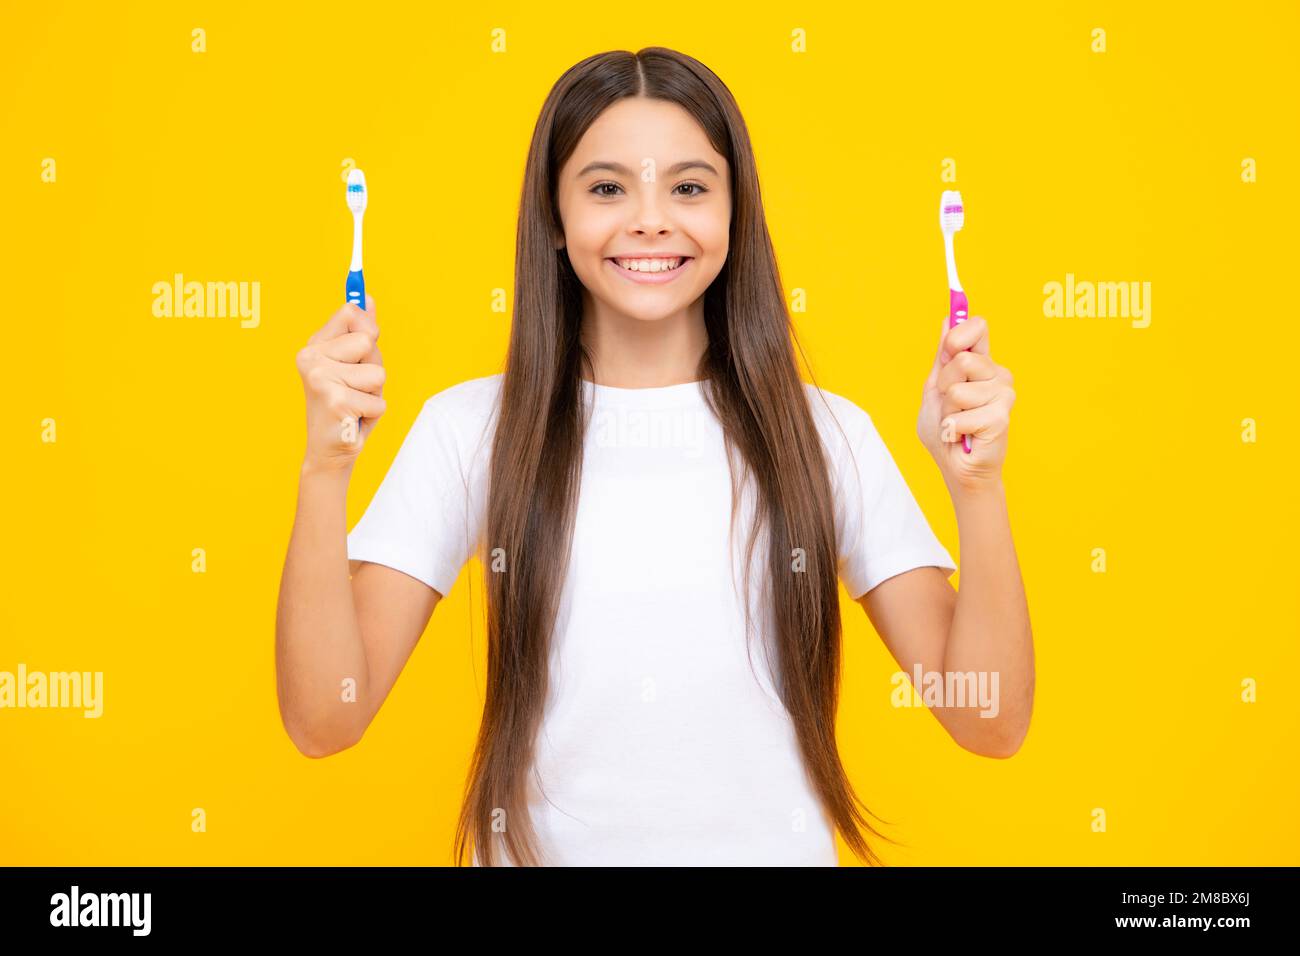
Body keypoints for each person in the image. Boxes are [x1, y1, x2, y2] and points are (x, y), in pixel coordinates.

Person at [275, 47, 1033, 867]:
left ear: (735, 215)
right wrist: (325, 470)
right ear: (555, 222)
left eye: (689, 187)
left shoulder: (825, 435)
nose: (650, 219)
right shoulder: (470, 430)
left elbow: (989, 721)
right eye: (607, 188)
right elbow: (324, 720)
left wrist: (978, 489)